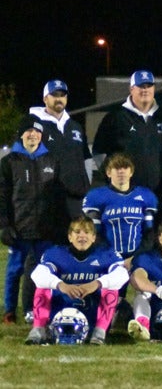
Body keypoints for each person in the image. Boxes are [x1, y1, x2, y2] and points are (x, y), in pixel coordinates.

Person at [1, 117, 74, 324]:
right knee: (15, 270)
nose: (32, 134)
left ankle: (39, 309)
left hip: (45, 231)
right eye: (28, 131)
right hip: (20, 230)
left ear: (41, 135)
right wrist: (5, 225)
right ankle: (9, 310)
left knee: (45, 271)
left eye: (37, 131)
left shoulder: (51, 160)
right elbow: (2, 196)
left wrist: (60, 225)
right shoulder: (8, 162)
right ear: (21, 134)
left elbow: (58, 196)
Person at [25, 216, 129, 345]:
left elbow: (122, 274)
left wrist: (96, 284)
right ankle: (38, 329)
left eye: (87, 232)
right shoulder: (55, 253)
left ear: (93, 237)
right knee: (43, 287)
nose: (82, 236)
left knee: (111, 288)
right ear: (70, 237)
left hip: (91, 306)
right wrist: (61, 285)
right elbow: (38, 274)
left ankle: (99, 332)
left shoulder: (107, 254)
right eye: (77, 232)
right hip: (62, 304)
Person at [92, 70, 162, 201]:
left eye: (149, 86)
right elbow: (98, 151)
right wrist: (109, 176)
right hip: (124, 195)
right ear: (131, 89)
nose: (145, 90)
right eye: (141, 86)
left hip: (159, 195)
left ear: (154, 88)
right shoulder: (115, 117)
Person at [29, 79, 93, 221]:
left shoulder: (75, 126)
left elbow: (86, 157)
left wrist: (86, 184)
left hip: (77, 197)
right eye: (55, 95)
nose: (59, 99)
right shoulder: (33, 126)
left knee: (78, 240)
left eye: (62, 95)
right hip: (49, 199)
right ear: (45, 98)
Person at [82, 153, 158, 268]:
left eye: (125, 168)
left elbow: (149, 232)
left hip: (138, 256)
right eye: (116, 168)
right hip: (107, 256)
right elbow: (95, 233)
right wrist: (112, 257)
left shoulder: (145, 195)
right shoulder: (96, 196)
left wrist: (136, 257)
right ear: (108, 173)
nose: (121, 171)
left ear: (131, 172)